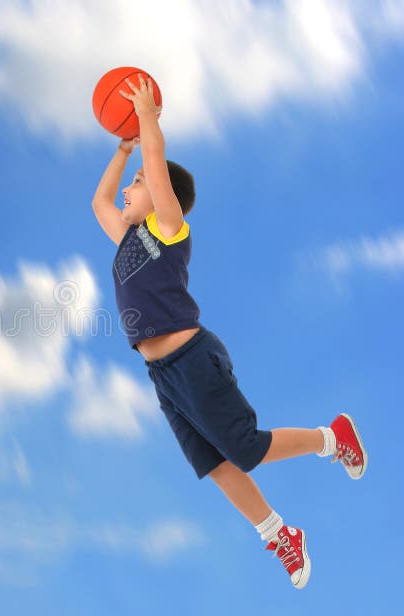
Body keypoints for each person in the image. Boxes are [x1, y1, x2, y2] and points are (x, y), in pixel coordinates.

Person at [91, 74, 368, 589]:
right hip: (162, 376)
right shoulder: (126, 238)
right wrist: (122, 151)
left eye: (138, 184)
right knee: (215, 466)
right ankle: (280, 534)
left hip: (192, 357)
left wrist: (148, 123)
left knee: (248, 449)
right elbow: (99, 203)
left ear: (160, 194)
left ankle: (333, 438)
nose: (129, 189)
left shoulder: (166, 229)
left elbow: (156, 167)